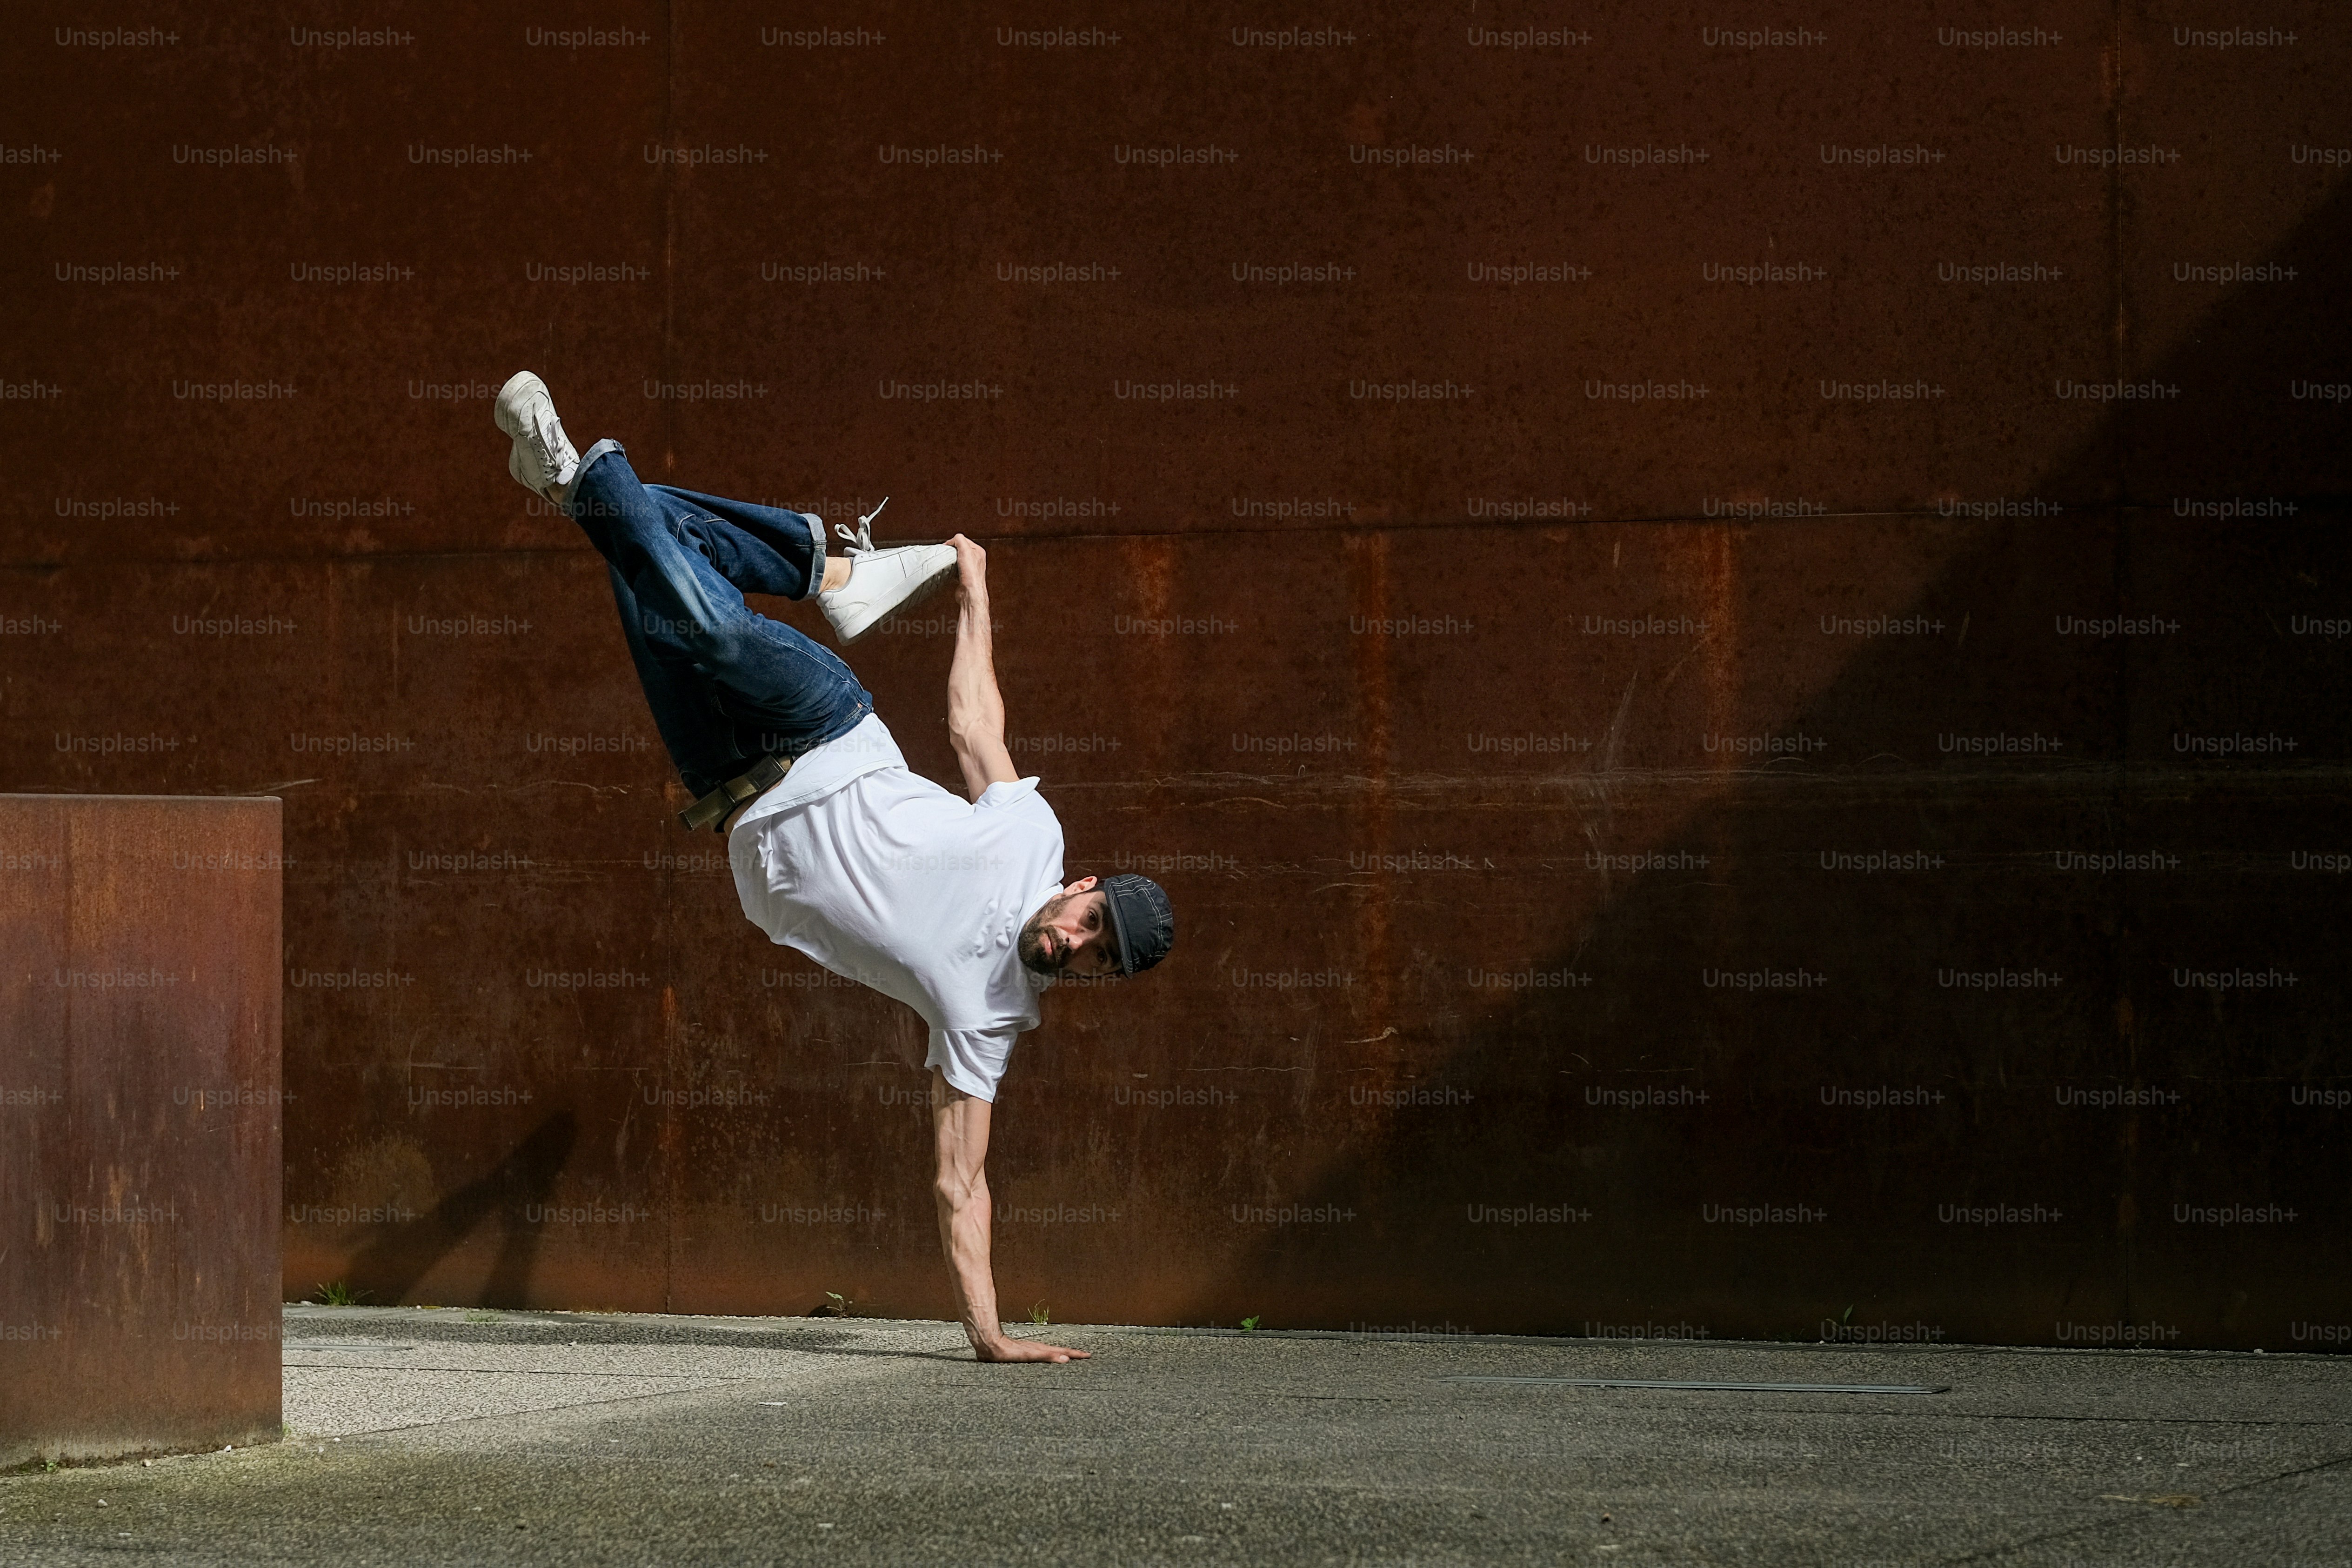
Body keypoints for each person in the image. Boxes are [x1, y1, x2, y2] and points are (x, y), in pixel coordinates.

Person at [494, 371, 1175, 1364]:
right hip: (825, 728)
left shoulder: (987, 1024)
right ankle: (595, 475)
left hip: (727, 784)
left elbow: (960, 1184)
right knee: (714, 625)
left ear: (1094, 979)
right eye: (1090, 918)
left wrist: (989, 1333)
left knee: (651, 572)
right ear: (1083, 884)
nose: (1073, 941)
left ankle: (821, 564)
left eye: (1093, 956)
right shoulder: (1033, 835)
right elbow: (971, 724)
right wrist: (975, 591)